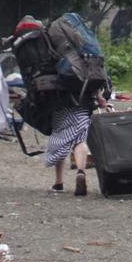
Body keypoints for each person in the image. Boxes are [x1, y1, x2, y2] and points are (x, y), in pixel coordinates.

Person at [11, 16, 110, 196]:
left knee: (60, 138)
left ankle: (59, 182)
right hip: (81, 95)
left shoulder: (45, 43)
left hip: (57, 98)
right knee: (79, 139)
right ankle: (80, 171)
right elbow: (84, 70)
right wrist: (99, 96)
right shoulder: (69, 46)